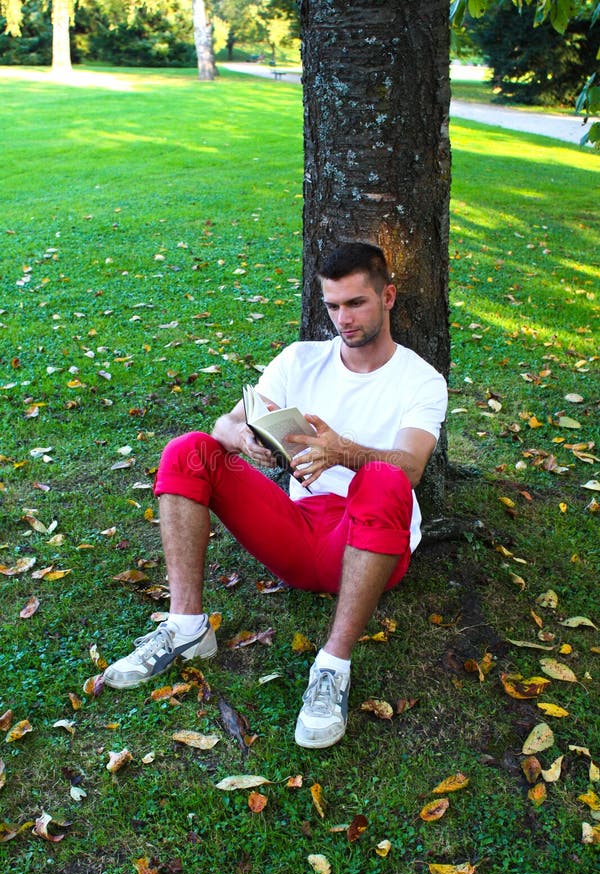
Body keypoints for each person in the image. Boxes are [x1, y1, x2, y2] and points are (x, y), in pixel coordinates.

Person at [104, 242, 448, 749]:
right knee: (188, 450)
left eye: (356, 303)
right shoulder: (300, 360)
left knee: (383, 477)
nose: (343, 319)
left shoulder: (420, 379)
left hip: (373, 539)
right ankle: (186, 627)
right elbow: (225, 423)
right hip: (301, 529)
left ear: (388, 297)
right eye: (333, 306)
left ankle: (332, 667)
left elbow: (411, 466)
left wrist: (342, 452)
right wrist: (242, 438)